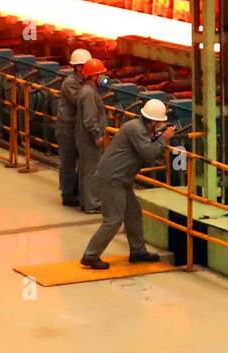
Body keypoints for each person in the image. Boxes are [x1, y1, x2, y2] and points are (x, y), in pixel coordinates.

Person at [80, 97, 176, 269]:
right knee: (113, 220)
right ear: (154, 121)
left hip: (121, 179)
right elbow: (148, 152)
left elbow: (147, 145)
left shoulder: (140, 128)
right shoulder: (135, 129)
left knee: (133, 214)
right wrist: (164, 139)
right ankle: (91, 255)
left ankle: (138, 251)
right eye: (160, 122)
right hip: (112, 179)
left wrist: (159, 136)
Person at [75, 58, 110, 215]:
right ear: (94, 77)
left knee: (85, 169)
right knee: (91, 170)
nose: (104, 77)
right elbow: (89, 119)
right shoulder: (89, 94)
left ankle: (85, 202)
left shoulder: (87, 91)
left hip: (83, 137)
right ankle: (92, 204)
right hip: (89, 139)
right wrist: (97, 135)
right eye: (101, 74)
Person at [56, 49, 91, 207]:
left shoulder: (85, 82)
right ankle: (68, 195)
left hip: (79, 128)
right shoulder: (70, 83)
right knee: (69, 162)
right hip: (67, 128)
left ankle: (78, 189)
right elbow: (81, 101)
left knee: (83, 160)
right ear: (78, 67)